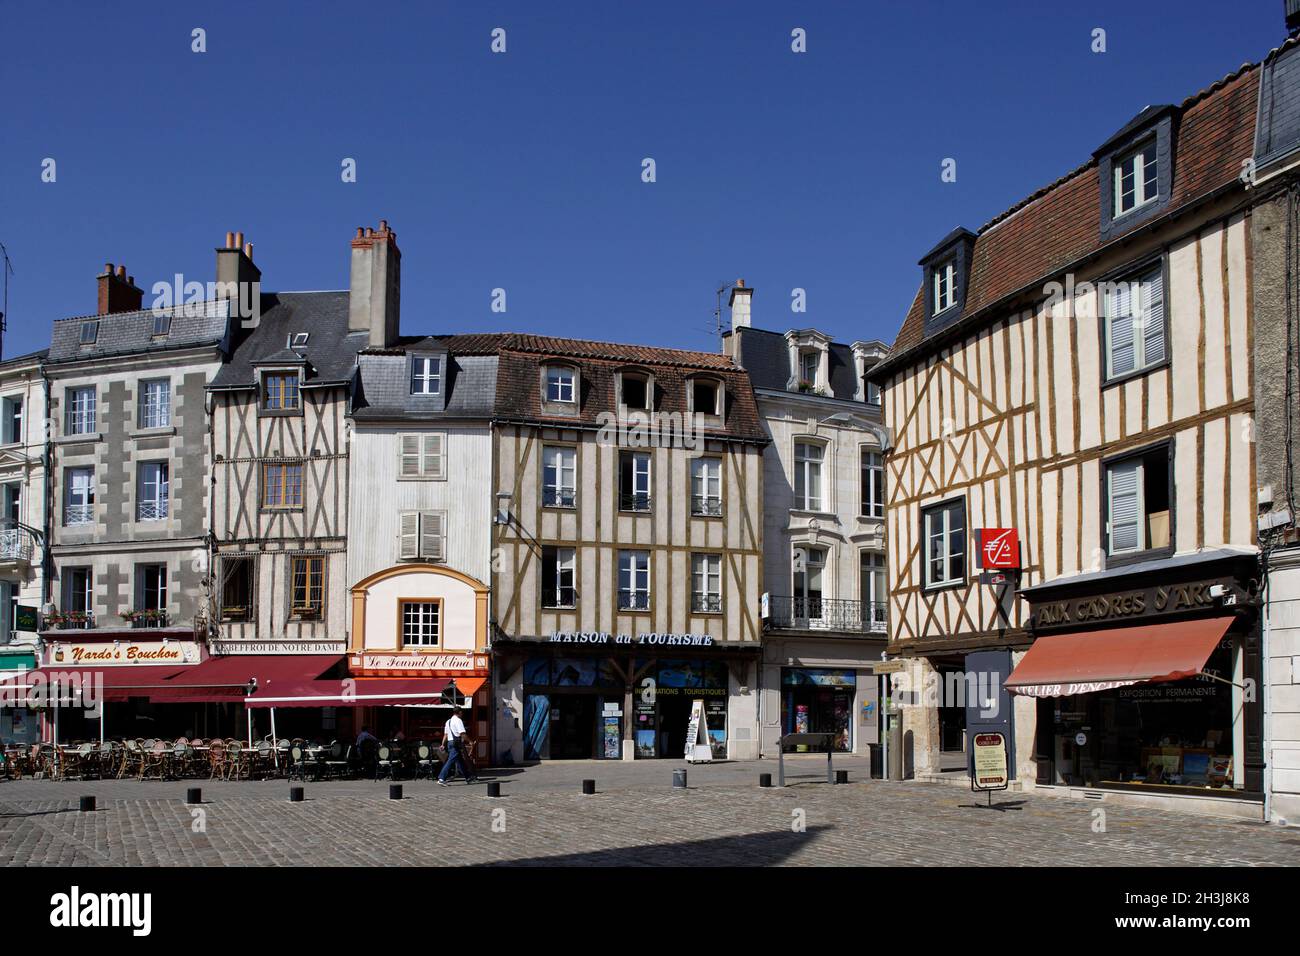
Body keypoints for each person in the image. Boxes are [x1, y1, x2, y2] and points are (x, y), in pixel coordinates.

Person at [437, 707, 477, 785]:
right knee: (450, 760)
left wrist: (442, 744)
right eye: (462, 712)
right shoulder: (458, 721)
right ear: (460, 712)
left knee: (460, 761)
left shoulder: (448, 721)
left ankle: (468, 777)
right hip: (456, 743)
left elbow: (446, 734)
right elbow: (462, 733)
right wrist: (470, 742)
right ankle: (441, 778)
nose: (462, 714)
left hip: (450, 743)